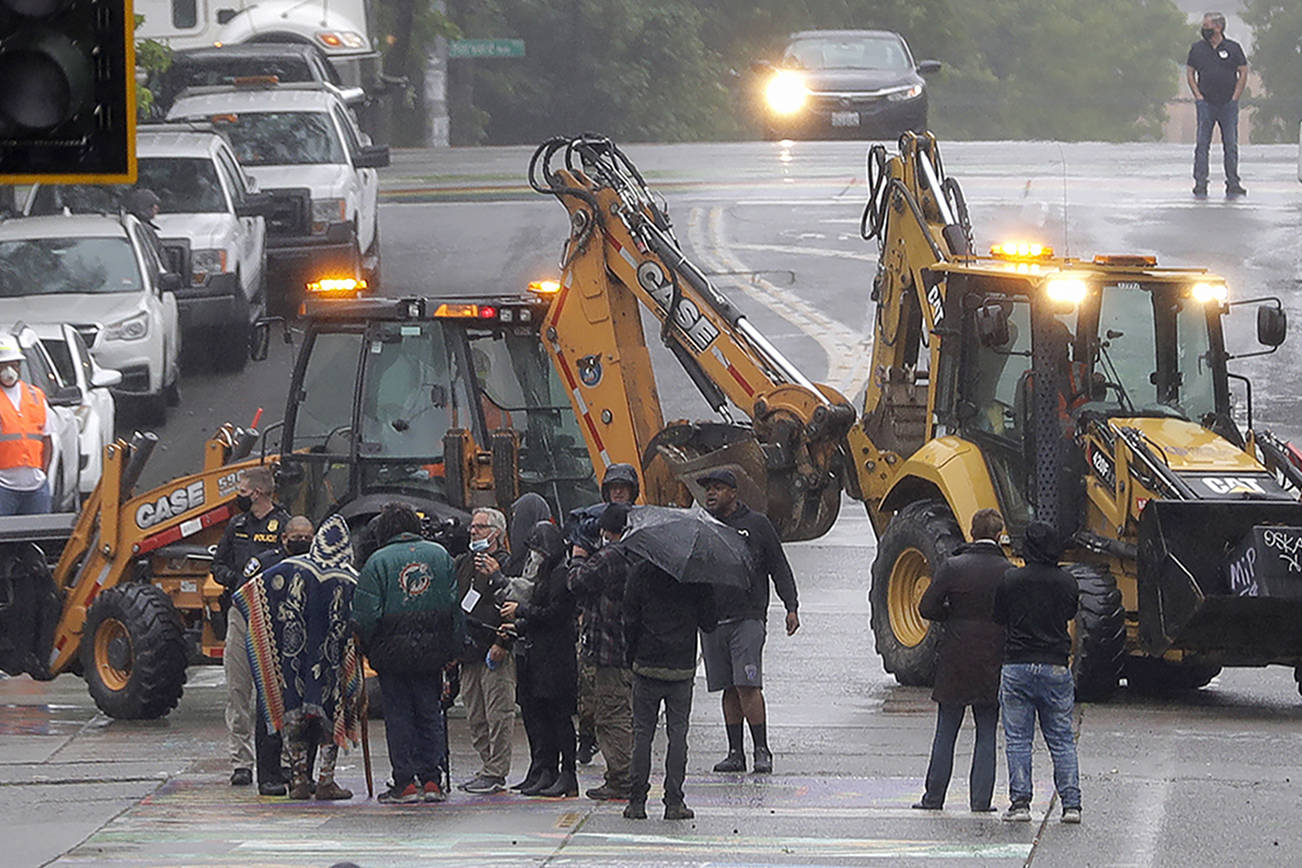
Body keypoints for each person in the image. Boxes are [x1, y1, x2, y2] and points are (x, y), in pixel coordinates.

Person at [233, 514, 362, 801]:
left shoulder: (288, 569)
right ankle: (326, 781)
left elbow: (247, 594)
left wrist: (271, 634)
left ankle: (299, 779)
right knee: (330, 717)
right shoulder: (351, 578)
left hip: (293, 660)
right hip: (331, 664)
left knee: (294, 717)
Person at [354, 502, 463, 805]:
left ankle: (405, 783)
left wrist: (365, 644)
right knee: (430, 714)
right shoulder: (440, 556)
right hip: (433, 651)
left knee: (399, 716)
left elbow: (366, 613)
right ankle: (432, 780)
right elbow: (455, 606)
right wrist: (454, 648)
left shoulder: (377, 562)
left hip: (391, 654)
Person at [696, 469, 799, 774]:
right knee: (728, 687)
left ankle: (762, 751)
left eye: (717, 488)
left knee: (747, 685)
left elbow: (779, 566)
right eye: (707, 490)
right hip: (714, 620)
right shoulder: (704, 526)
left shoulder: (757, 525)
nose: (710, 494)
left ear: (733, 493)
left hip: (748, 618)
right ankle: (735, 753)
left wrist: (791, 605)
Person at [913, 508, 1008, 813]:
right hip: (993, 657)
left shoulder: (953, 566)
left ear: (972, 531)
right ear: (998, 535)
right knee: (986, 730)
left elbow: (927, 607)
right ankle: (981, 801)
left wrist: (951, 615)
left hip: (955, 655)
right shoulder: (1007, 570)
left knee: (947, 728)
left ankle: (933, 797)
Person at [993, 521, 1082, 825]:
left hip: (1017, 664)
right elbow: (1070, 613)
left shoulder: (1011, 580)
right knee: (1061, 739)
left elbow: (999, 616)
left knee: (1018, 739)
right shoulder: (1067, 581)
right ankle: (1071, 805)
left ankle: (1020, 804)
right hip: (1055, 664)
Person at [622, 556, 717, 820]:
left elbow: (629, 618)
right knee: (678, 735)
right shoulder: (696, 576)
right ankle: (674, 801)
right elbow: (709, 622)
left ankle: (637, 801)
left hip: (646, 664)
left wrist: (631, 657)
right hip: (681, 667)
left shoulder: (641, 571)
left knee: (642, 734)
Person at [212, 466, 289, 787]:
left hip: (274, 616)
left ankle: (284, 759)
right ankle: (241, 762)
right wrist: (236, 581)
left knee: (276, 692)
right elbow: (218, 565)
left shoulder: (284, 525)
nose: (238, 497)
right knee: (237, 690)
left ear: (257, 492)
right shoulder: (237, 525)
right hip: (240, 613)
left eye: (242, 491)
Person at [565, 464, 640, 764]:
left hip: (618, 639)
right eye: (613, 487)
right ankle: (590, 740)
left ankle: (621, 774)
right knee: (591, 695)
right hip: (596, 630)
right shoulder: (591, 522)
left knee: (616, 710)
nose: (618, 492)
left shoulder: (635, 534)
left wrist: (579, 559)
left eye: (624, 487)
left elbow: (576, 581)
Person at [500, 520, 578, 797]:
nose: (535, 555)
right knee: (540, 715)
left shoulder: (560, 574)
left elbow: (555, 614)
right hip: (540, 653)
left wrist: (522, 612)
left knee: (559, 717)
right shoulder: (547, 571)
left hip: (555, 657)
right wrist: (519, 625)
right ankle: (546, 770)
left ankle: (566, 773)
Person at [240, 515, 315, 796]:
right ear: (284, 538)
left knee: (310, 715)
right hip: (272, 647)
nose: (303, 542)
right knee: (270, 711)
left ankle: (302, 774)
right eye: (297, 537)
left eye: (308, 538)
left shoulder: (317, 565)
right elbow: (243, 594)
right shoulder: (266, 564)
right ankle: (269, 775)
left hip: (307, 650)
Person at [454, 506, 516, 795]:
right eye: (472, 527)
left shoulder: (506, 563)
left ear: (495, 532)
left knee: (498, 713)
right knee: (475, 714)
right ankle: (486, 764)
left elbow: (513, 604)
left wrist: (503, 642)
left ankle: (496, 770)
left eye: (479, 527)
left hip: (494, 649)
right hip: (469, 651)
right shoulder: (465, 563)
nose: (473, 531)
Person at [1186, 11, 1248, 198]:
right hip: (1206, 103)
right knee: (1202, 144)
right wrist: (1198, 96)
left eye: (1207, 26)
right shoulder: (1197, 49)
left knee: (1230, 144)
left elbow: (1243, 72)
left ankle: (1233, 182)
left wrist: (1235, 97)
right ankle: (1200, 182)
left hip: (1227, 104)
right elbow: (1190, 73)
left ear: (1218, 27)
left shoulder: (1233, 48)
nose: (1204, 30)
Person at [0, 336, 55, 517]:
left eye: (14, 365)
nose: (9, 371)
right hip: (3, 488)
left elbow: (47, 440)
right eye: (3, 366)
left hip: (36, 487)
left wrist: (43, 473)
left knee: (35, 541)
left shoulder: (35, 395)